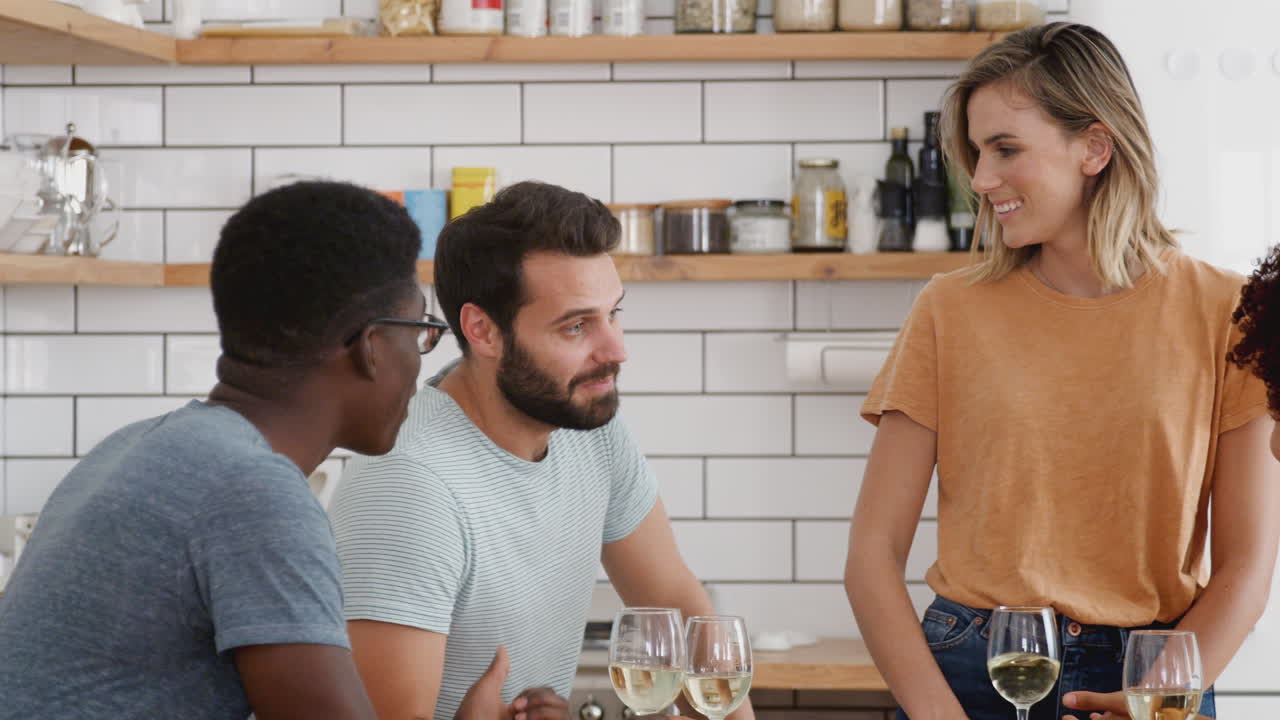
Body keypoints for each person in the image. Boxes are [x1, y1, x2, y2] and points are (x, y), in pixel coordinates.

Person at [844, 22, 1280, 720]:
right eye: (978, 153)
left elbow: (1246, 566)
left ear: (1095, 147)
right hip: (970, 671)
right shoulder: (949, 310)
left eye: (1006, 149)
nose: (982, 180)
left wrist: (1159, 698)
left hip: (1156, 671)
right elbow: (870, 555)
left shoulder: (1229, 312)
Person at [0, 181, 511, 719]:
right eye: (421, 332)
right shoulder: (253, 492)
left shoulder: (139, 445)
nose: (419, 361)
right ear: (372, 346)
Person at [329, 181, 755, 720]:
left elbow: (676, 605)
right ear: (482, 330)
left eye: (613, 314)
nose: (616, 350)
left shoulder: (589, 426)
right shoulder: (410, 486)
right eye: (577, 326)